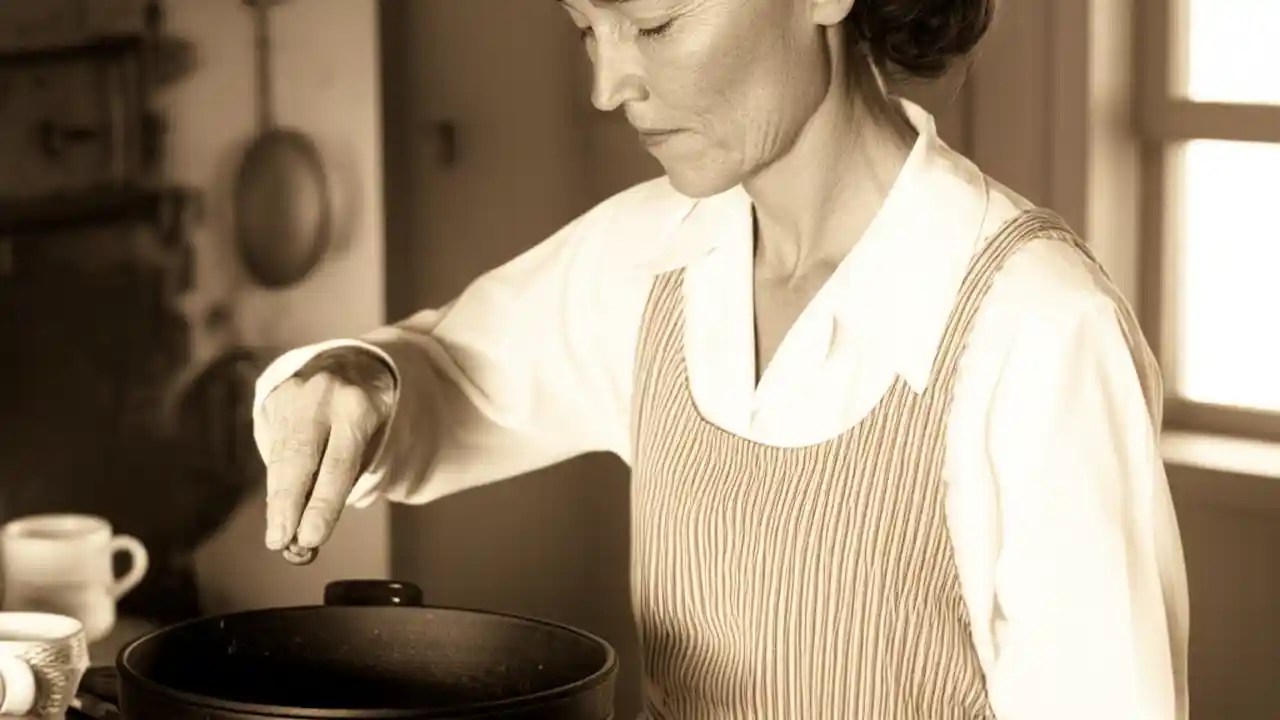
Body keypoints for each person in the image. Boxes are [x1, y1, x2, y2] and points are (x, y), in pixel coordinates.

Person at [252, 0, 1190, 717]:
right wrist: (363, 377)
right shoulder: (655, 256)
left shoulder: (1037, 327)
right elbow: (446, 378)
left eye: (655, 24)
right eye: (587, 28)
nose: (607, 86)